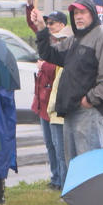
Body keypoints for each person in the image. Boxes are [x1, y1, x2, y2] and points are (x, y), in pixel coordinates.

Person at [31, 0, 103, 168]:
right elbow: (50, 54)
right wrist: (42, 29)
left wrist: (90, 99)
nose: (78, 17)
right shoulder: (74, 39)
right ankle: (76, 196)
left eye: (83, 12)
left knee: (89, 167)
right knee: (74, 166)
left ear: (92, 14)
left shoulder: (102, 38)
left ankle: (92, 196)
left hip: (88, 112)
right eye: (75, 13)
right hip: (70, 110)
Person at [29, 10, 69, 190]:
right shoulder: (47, 40)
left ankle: (62, 181)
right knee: (50, 145)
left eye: (52, 23)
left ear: (62, 25)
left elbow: (57, 65)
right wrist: (30, 7)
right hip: (44, 103)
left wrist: (44, 65)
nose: (49, 26)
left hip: (55, 106)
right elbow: (36, 29)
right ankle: (56, 178)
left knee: (60, 148)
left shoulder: (64, 43)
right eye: (48, 23)